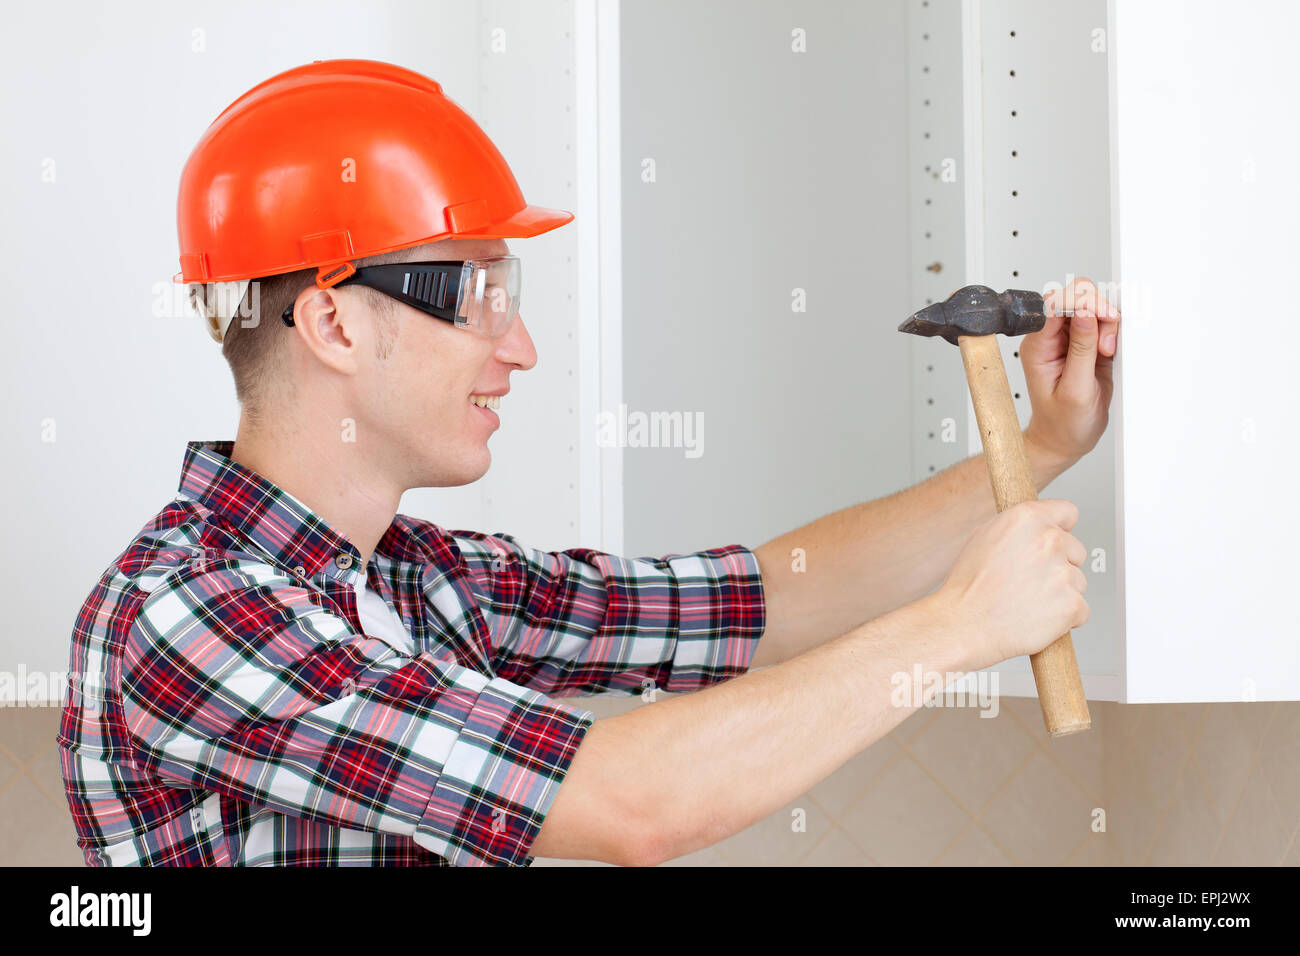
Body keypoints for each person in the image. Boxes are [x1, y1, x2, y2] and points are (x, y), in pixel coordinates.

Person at [58, 59, 1120, 867]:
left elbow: (760, 600)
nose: (517, 347)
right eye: (478, 293)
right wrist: (956, 626)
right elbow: (628, 799)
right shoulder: (184, 612)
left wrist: (1035, 449)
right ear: (333, 323)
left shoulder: (428, 582)